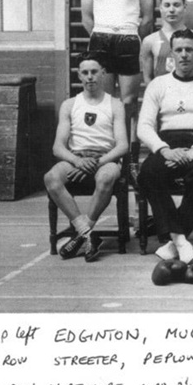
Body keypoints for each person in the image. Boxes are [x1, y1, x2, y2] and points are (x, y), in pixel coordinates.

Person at [136, 29, 193, 263]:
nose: (184, 55)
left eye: (189, 49)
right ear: (171, 53)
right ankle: (179, 240)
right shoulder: (158, 85)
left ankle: (172, 240)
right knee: (148, 173)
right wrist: (164, 149)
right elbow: (144, 126)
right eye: (179, 50)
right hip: (168, 143)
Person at [44, 53, 128, 262]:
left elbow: (123, 145)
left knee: (106, 177)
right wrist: (78, 161)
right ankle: (87, 234)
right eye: (85, 73)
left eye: (94, 72)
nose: (90, 77)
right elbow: (58, 147)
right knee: (51, 178)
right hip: (76, 157)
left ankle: (82, 235)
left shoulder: (115, 104)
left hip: (105, 159)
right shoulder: (70, 104)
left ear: (103, 73)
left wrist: (98, 162)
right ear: (79, 75)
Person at [81, 0, 153, 139]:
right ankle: (108, 148)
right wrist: (100, 36)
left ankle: (130, 152)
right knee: (104, 99)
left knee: (129, 101)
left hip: (128, 38)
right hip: (100, 38)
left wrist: (131, 37)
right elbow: (86, 18)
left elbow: (148, 18)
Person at [140, 0, 193, 85]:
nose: (172, 10)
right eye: (167, 5)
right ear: (160, 8)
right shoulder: (149, 41)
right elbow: (148, 78)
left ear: (184, 7)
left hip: (191, 96)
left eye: (176, 5)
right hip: (162, 97)